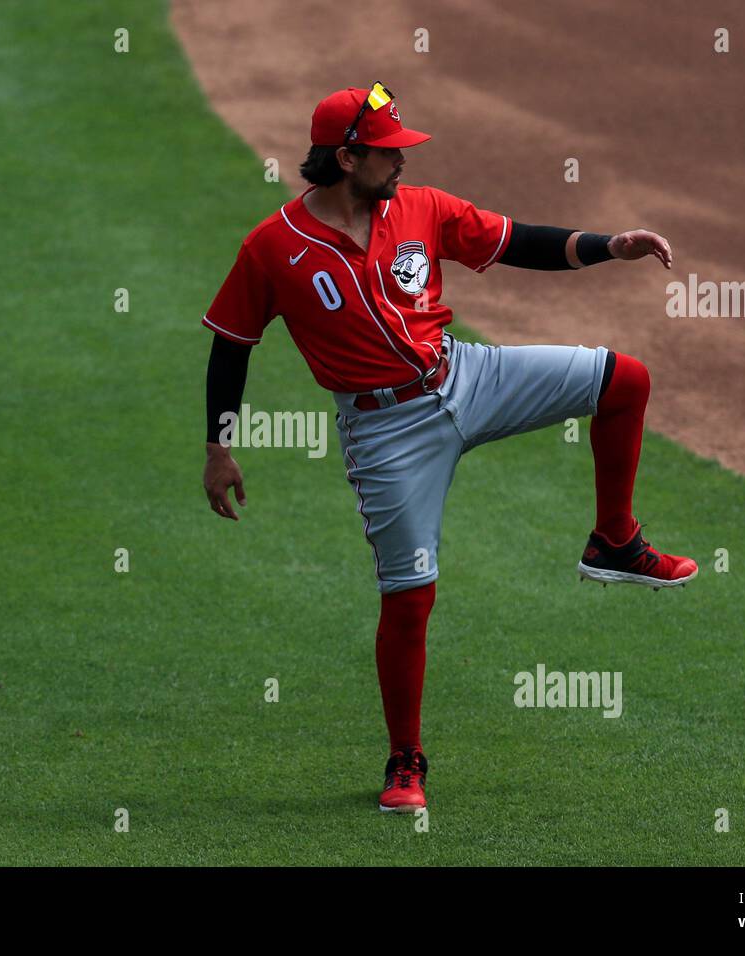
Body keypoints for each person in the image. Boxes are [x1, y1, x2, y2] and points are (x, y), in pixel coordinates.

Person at [201, 83, 697, 813]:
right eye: (388, 152)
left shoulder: (421, 208)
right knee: (409, 600)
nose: (401, 163)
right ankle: (406, 761)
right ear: (346, 157)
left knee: (623, 380)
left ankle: (614, 540)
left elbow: (516, 240)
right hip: (384, 432)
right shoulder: (273, 248)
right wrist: (220, 447)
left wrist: (606, 247)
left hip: (466, 373)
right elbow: (231, 345)